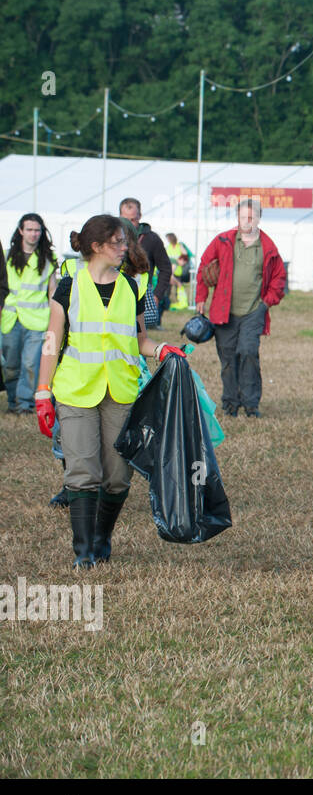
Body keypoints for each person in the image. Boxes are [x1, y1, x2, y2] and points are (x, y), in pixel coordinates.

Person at [34, 216, 185, 567]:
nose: (124, 249)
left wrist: (163, 350)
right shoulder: (68, 288)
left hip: (120, 390)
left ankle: (102, 537)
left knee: (118, 476)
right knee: (83, 471)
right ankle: (84, 552)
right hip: (75, 390)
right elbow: (51, 345)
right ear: (97, 246)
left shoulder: (132, 287)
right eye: (117, 243)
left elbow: (140, 341)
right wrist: (43, 392)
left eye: (124, 242)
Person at [195, 198, 287, 418]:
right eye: (243, 216)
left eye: (252, 217)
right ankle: (230, 402)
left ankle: (251, 403)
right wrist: (201, 297)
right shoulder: (223, 240)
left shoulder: (267, 246)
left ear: (258, 218)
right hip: (223, 310)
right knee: (227, 358)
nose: (248, 220)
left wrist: (267, 303)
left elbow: (279, 277)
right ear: (237, 217)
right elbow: (203, 267)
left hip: (254, 310)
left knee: (248, 352)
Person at [3, 214, 58, 413]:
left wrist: (55, 319)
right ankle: (12, 402)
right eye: (29, 230)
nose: (33, 234)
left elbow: (52, 291)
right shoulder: (7, 256)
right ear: (20, 231)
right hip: (9, 319)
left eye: (37, 230)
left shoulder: (48, 259)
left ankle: (24, 405)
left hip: (37, 321)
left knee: (30, 364)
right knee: (10, 365)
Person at [118, 198, 171, 317]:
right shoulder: (112, 237)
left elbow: (166, 268)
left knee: (140, 334)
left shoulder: (152, 239)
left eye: (133, 220)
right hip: (116, 296)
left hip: (142, 298)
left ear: (140, 216)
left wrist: (157, 295)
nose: (129, 224)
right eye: (125, 219)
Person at [164, 232, 193, 310]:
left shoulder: (179, 246)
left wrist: (181, 247)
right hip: (169, 272)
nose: (168, 240)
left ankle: (180, 302)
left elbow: (185, 254)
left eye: (168, 239)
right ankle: (166, 304)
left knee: (178, 288)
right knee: (167, 290)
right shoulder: (168, 247)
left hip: (178, 272)